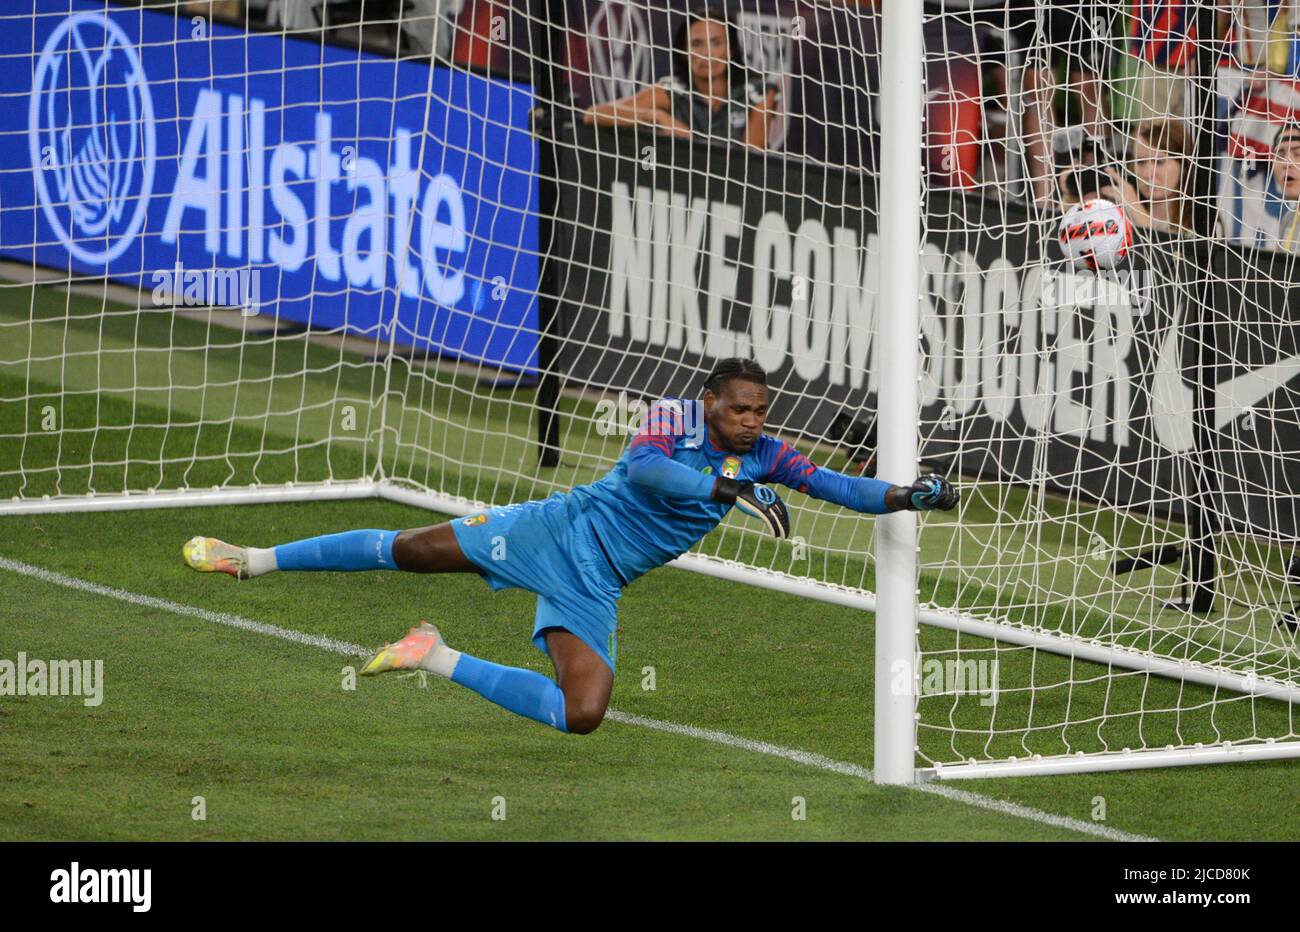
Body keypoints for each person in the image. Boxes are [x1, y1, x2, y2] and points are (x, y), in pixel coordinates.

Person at [181, 358, 959, 735]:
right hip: (561, 529)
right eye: (743, 409)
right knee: (412, 549)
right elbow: (650, 474)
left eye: (763, 411)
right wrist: (724, 490)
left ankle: (434, 653)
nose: (755, 422)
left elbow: (832, 485)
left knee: (582, 714)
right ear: (710, 402)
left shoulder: (767, 456)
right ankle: (253, 559)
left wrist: (904, 494)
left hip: (598, 581)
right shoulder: (667, 420)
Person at [581, 6, 779, 149]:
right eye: (697, 44)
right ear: (684, 52)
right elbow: (593, 114)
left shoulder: (759, 91)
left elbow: (751, 158)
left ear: (731, 50)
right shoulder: (672, 89)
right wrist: (658, 116)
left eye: (716, 43)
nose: (706, 53)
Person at [1098, 118, 1194, 231]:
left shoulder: (1202, 221)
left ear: (1184, 166)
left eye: (1159, 162)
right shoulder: (1117, 214)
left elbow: (1163, 248)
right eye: (1140, 162)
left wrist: (1135, 207)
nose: (1147, 174)